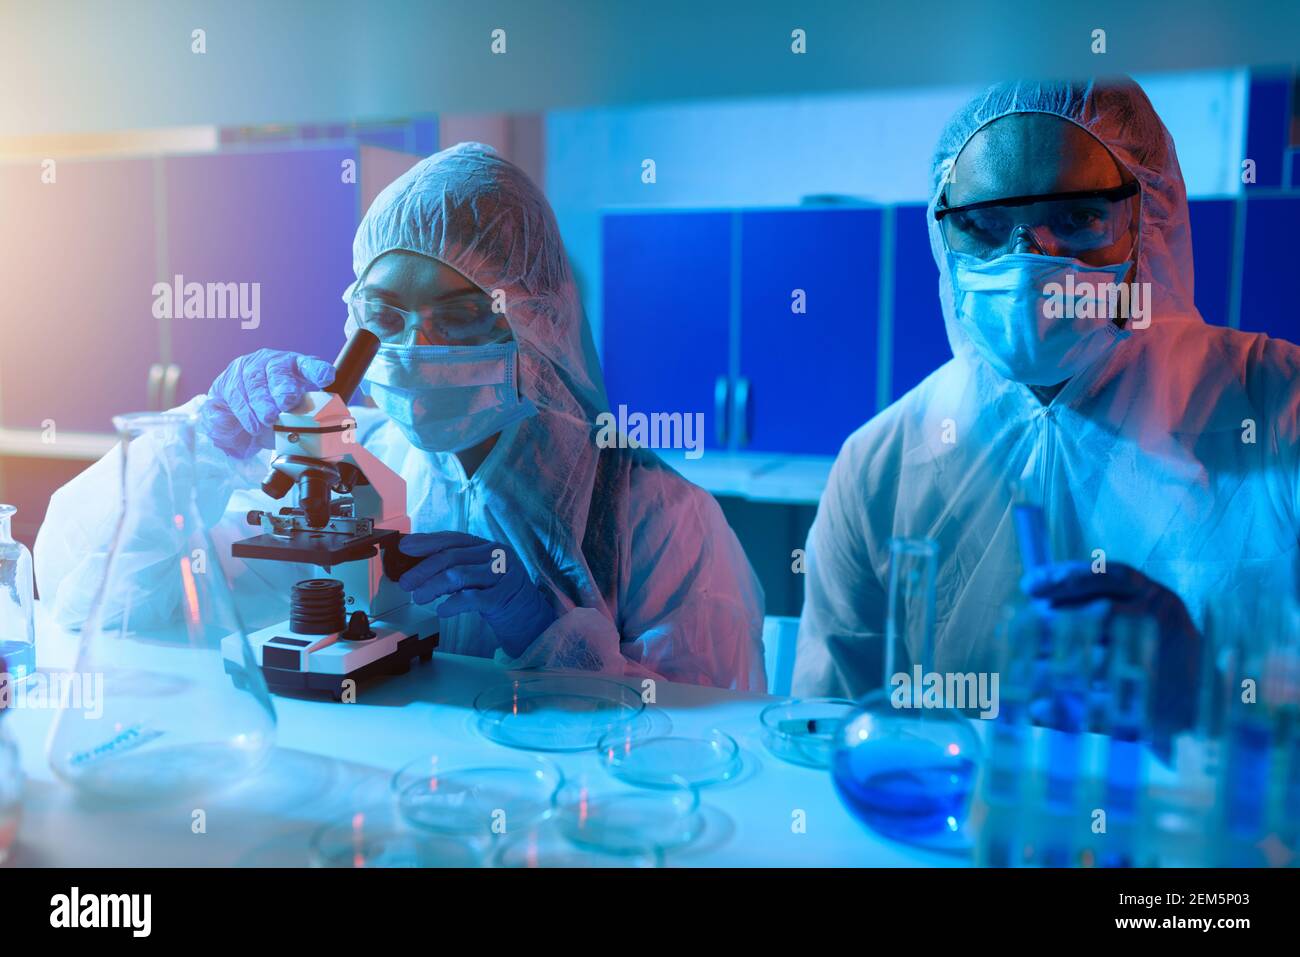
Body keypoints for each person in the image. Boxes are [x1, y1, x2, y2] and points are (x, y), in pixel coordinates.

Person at [36, 143, 766, 690]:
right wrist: (204, 443)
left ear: (535, 328)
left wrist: (551, 640)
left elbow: (711, 745)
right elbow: (93, 595)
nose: (417, 348)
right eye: (386, 315)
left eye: (459, 316)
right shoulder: (359, 466)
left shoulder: (656, 519)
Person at [793, 79, 1300, 722]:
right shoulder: (881, 467)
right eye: (982, 225)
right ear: (943, 236)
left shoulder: (1279, 410)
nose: (1031, 260)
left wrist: (1207, 689)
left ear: (1151, 218)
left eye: (1077, 217)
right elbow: (823, 731)